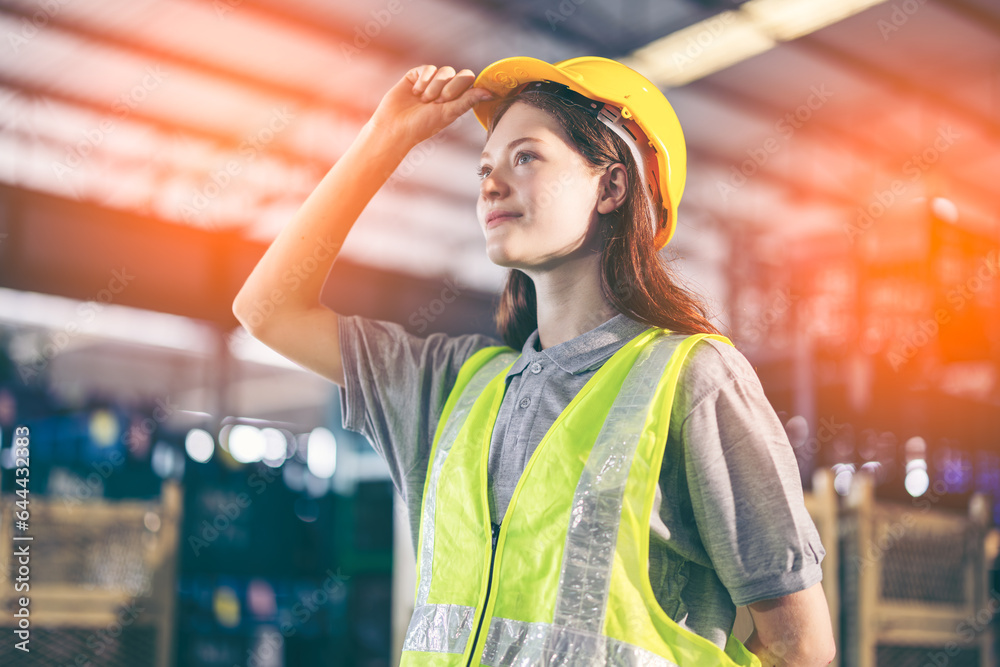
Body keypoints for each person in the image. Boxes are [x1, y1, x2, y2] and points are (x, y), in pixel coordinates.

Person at [233, 56, 836, 667]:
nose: (491, 185)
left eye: (526, 157)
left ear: (611, 187)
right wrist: (384, 139)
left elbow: (799, 646)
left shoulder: (696, 380)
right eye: (484, 170)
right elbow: (266, 310)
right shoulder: (452, 389)